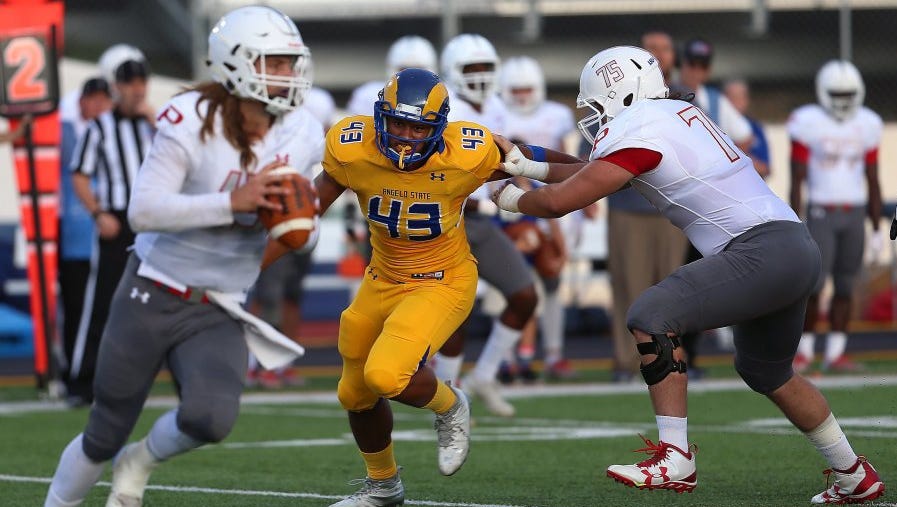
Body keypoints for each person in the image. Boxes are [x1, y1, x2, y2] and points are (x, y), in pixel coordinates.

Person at [491, 45, 885, 504]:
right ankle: (854, 473)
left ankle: (675, 456)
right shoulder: (672, 113)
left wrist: (502, 195)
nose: (597, 117)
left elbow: (563, 200)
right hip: (793, 246)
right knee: (765, 371)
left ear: (622, 96)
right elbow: (595, 172)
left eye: (598, 105)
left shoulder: (638, 129)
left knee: (651, 314)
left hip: (757, 250)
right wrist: (525, 164)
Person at [43, 6, 322, 506]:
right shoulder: (190, 118)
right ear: (236, 62)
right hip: (153, 287)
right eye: (273, 62)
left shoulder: (303, 132)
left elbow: (302, 222)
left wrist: (300, 229)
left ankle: (141, 459)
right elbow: (143, 211)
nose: (286, 74)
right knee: (104, 432)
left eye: (289, 63)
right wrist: (230, 202)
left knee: (211, 418)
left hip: (218, 304)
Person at [305, 68, 503, 506]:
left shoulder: (464, 152)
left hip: (442, 280)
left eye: (419, 127)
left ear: (439, 129)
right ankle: (383, 485)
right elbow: (308, 209)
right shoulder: (353, 148)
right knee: (353, 392)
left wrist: (602, 171)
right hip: (382, 277)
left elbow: (527, 157)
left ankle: (451, 405)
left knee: (385, 374)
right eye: (398, 123)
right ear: (380, 117)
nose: (407, 137)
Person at [431, 33, 537, 417]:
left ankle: (485, 374)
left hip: (485, 220)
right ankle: (446, 395)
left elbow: (500, 161)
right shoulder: (445, 108)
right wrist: (483, 199)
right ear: (453, 72)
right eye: (470, 69)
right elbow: (438, 170)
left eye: (485, 68)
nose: (479, 76)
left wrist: (519, 189)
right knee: (457, 310)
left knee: (524, 294)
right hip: (451, 221)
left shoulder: (495, 106)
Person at [66, 51, 155, 407]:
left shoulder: (158, 124)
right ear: (117, 87)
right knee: (102, 303)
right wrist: (98, 212)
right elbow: (80, 175)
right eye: (129, 82)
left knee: (156, 304)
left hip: (153, 220)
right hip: (117, 219)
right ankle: (81, 382)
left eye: (141, 82)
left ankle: (140, 381)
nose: (136, 89)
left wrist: (156, 123)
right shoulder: (100, 126)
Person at [604, 31, 689, 383]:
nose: (658, 54)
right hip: (629, 205)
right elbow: (593, 150)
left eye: (664, 48)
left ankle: (675, 359)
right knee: (631, 285)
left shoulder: (683, 99)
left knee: (675, 286)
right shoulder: (612, 98)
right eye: (650, 49)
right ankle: (628, 363)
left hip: (672, 206)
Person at [789, 60, 883, 374]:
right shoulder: (808, 121)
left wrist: (877, 226)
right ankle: (803, 352)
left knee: (845, 286)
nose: (842, 100)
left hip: (853, 212)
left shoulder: (868, 123)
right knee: (813, 286)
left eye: (847, 93)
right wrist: (796, 218)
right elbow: (797, 177)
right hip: (821, 211)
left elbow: (872, 176)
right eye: (836, 93)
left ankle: (835, 353)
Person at [496, 56, 576, 380]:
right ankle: (506, 357)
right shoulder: (493, 111)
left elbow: (572, 158)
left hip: (551, 204)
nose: (523, 95)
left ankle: (553, 353)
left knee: (553, 280)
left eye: (528, 89)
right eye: (517, 89)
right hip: (505, 210)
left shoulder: (558, 115)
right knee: (508, 291)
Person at [58, 77, 113, 405]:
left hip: (108, 240)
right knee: (76, 309)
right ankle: (75, 377)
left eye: (102, 99)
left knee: (110, 311)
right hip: (75, 237)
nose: (97, 105)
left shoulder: (119, 131)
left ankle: (106, 378)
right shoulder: (66, 132)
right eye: (91, 98)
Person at [345, 35, 438, 117]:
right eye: (404, 69)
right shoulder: (367, 95)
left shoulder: (444, 95)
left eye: (419, 69)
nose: (411, 76)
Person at [724, 78, 771, 179]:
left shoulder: (756, 128)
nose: (736, 102)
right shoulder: (717, 125)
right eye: (732, 98)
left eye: (740, 97)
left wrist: (738, 153)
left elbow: (765, 169)